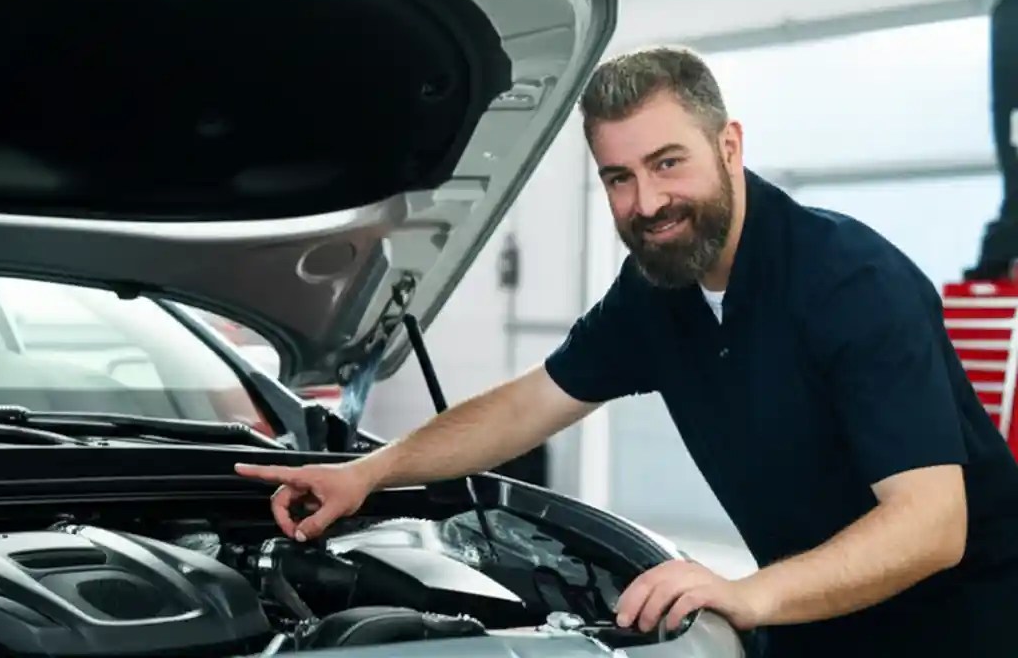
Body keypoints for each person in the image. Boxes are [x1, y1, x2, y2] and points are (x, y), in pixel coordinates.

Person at [235, 46, 1018, 656]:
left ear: (729, 145)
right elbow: (530, 403)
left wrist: (748, 593)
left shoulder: (850, 282)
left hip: (966, 628)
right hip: (811, 619)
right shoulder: (658, 288)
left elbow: (931, 525)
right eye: (618, 177)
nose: (647, 203)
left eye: (668, 163)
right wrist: (370, 472)